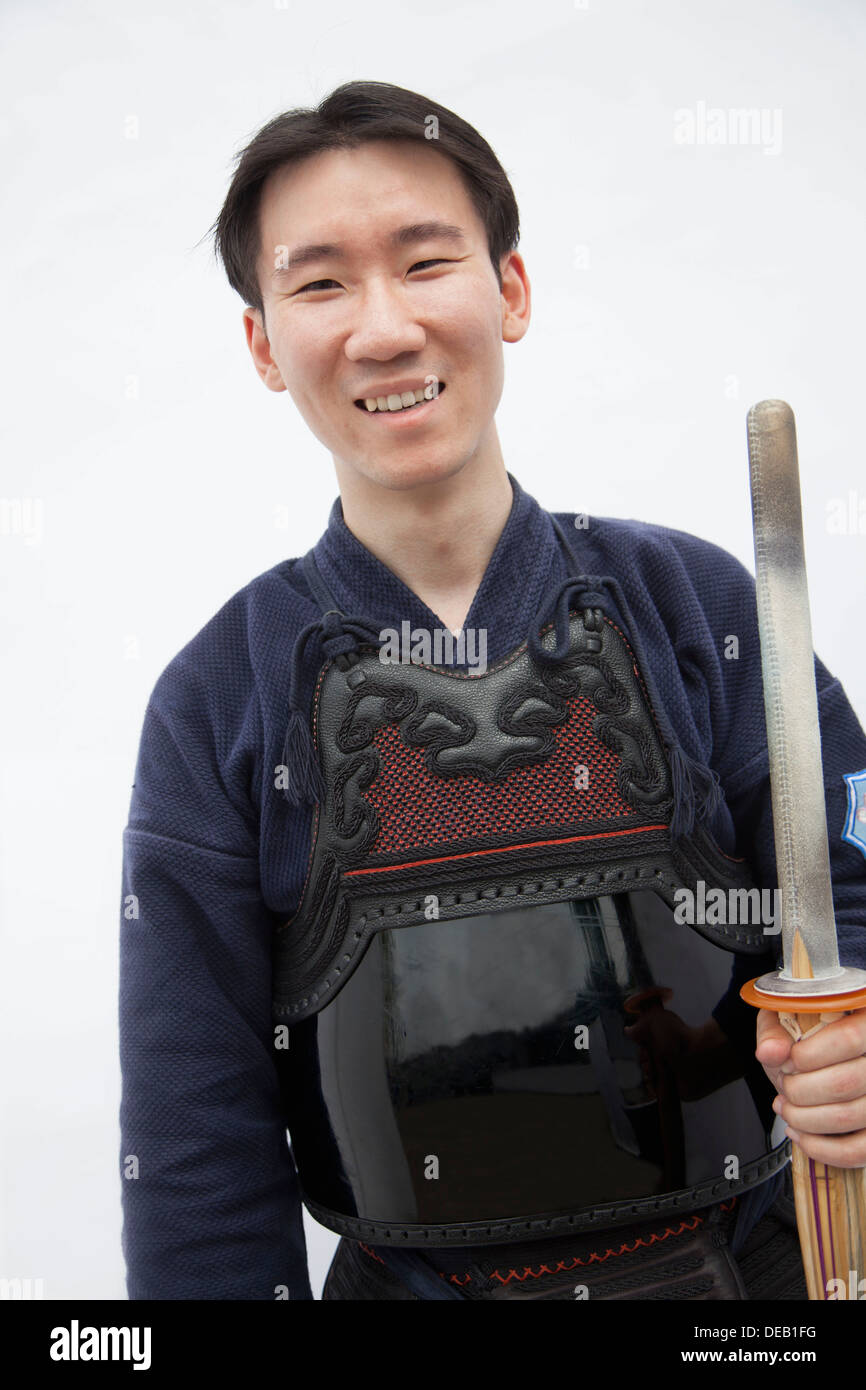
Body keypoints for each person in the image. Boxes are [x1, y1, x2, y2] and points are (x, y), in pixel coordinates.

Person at [119, 80, 866, 1301]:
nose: (382, 329)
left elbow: (846, 907)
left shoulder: (700, 607)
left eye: (425, 262)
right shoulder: (218, 696)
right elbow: (194, 1132)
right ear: (263, 343)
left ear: (507, 290)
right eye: (318, 284)